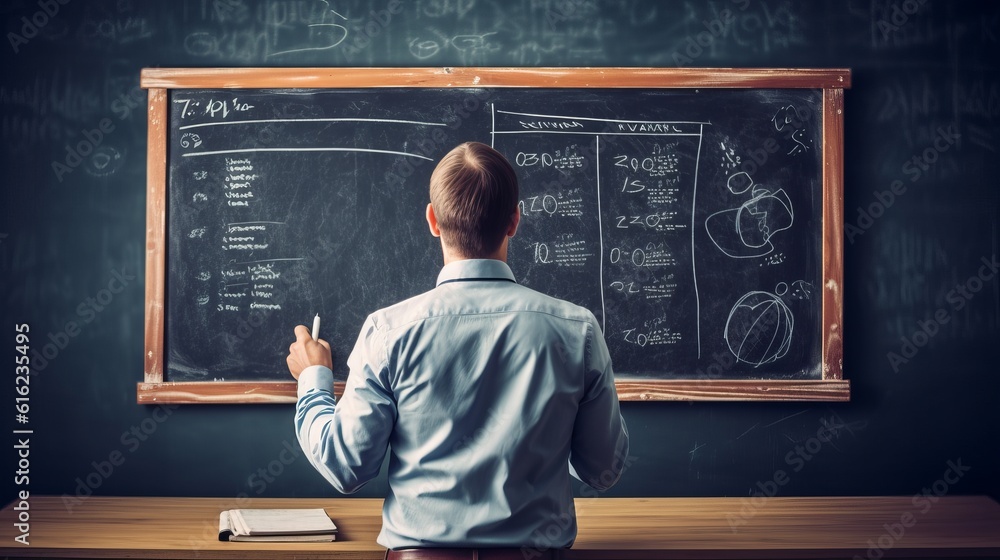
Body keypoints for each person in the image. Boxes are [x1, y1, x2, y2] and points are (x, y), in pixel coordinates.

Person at [286, 141, 629, 559]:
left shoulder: (388, 332)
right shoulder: (577, 331)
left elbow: (346, 467)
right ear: (514, 220)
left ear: (432, 220)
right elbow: (602, 470)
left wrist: (313, 378)